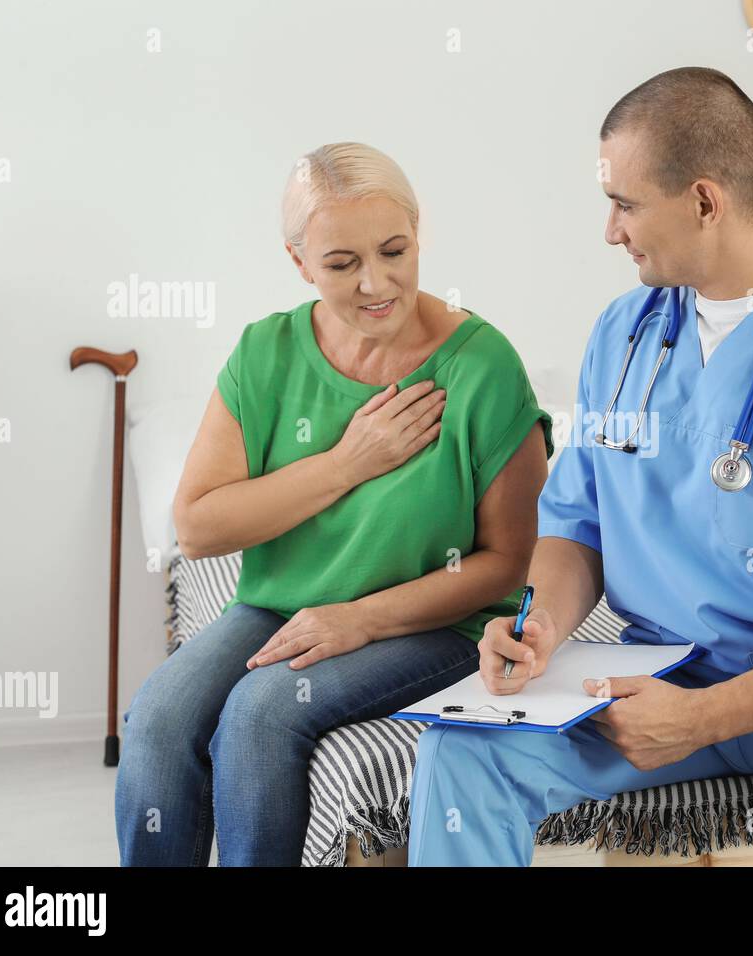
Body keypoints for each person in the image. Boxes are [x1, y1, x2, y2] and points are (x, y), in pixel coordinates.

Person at [407, 68, 753, 867]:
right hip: (657, 669)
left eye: (625, 204)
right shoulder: (623, 336)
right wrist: (545, 627)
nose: (609, 230)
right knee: (463, 757)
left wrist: (705, 721)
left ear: (704, 201)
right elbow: (576, 524)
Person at [115, 142, 552, 865]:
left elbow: (509, 565)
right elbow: (196, 528)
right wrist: (349, 462)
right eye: (342, 264)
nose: (376, 283)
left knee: (258, 716)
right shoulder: (267, 352)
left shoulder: (483, 366)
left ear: (419, 232)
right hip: (277, 607)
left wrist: (359, 618)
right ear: (299, 263)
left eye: (394, 250)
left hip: (436, 623)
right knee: (159, 718)